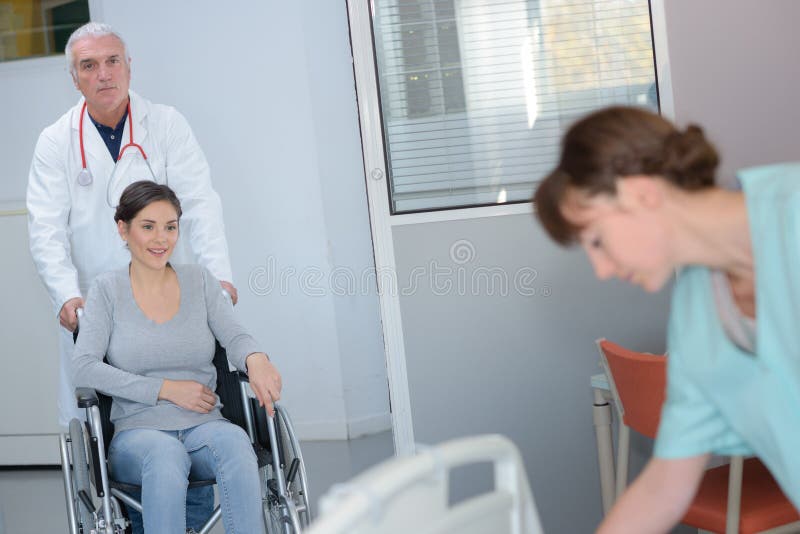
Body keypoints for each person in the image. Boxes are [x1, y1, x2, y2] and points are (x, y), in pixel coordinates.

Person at [533, 106, 800, 532]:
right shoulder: (698, 320)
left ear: (641, 193)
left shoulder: (792, 211)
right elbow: (665, 486)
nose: (601, 270)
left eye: (597, 240)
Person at [26, 22, 235, 530]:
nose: (104, 74)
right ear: (74, 78)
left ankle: (189, 519)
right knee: (107, 422)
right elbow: (45, 228)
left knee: (188, 407)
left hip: (166, 296)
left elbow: (201, 205)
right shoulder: (56, 141)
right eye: (89, 66)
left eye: (112, 60)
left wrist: (218, 278)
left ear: (129, 65)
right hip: (98, 308)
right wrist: (67, 295)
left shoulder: (164, 124)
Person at [72, 181, 281, 534]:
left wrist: (256, 357)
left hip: (204, 426)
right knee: (166, 455)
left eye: (170, 227)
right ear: (123, 229)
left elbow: (235, 335)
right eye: (148, 226)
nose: (161, 239)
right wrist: (164, 389)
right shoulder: (106, 291)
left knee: (236, 444)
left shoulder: (199, 281)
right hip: (138, 433)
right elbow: (83, 367)